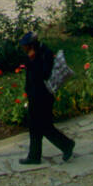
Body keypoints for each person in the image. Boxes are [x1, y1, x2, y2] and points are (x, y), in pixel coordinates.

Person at [18, 32, 75, 166]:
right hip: (34, 95)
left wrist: (33, 60)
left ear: (31, 45)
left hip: (43, 96)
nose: (24, 49)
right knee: (34, 126)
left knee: (44, 126)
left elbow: (44, 74)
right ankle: (34, 156)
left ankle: (67, 145)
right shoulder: (32, 55)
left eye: (25, 46)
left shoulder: (45, 53)